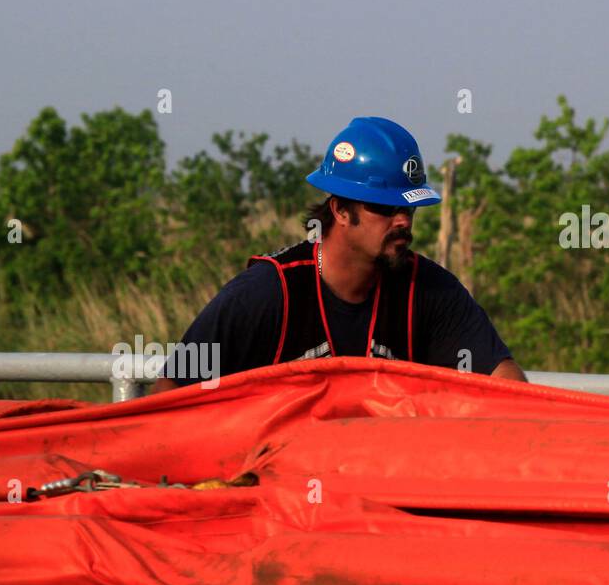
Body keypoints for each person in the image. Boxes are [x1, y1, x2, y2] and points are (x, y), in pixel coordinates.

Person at [152, 116, 527, 393]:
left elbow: (505, 385)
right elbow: (171, 389)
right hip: (281, 489)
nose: (402, 221)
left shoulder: (429, 291)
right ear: (340, 210)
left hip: (381, 489)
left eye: (409, 209)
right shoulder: (269, 292)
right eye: (384, 208)